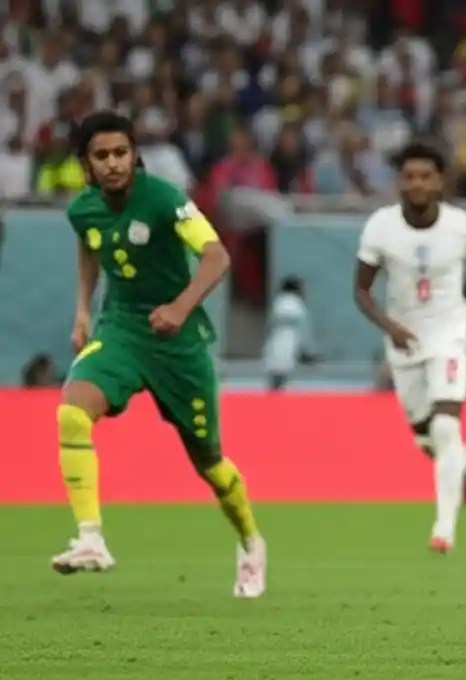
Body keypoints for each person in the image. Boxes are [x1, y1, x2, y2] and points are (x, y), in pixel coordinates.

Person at [55, 110, 267, 597]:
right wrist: (83, 311)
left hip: (178, 342)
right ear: (86, 165)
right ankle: (90, 538)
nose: (113, 164)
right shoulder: (82, 209)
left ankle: (250, 541)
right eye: (101, 156)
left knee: (209, 462)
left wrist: (179, 306)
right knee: (72, 411)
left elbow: (217, 256)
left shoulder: (166, 199)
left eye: (121, 153)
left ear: (135, 155)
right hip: (123, 328)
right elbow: (89, 248)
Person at [354, 142, 466, 554]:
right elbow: (361, 291)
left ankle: (444, 529)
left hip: (450, 333)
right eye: (409, 176)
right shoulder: (380, 227)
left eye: (425, 176)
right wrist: (389, 326)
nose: (417, 183)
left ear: (440, 181)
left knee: (445, 425)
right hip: (404, 340)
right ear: (400, 182)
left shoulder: (463, 226)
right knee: (427, 440)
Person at [262, 276, 315, 391]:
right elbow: (303, 329)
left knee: (274, 378)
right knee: (286, 379)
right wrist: (306, 349)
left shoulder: (278, 303)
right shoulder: (298, 305)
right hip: (291, 343)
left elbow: (270, 325)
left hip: (276, 341)